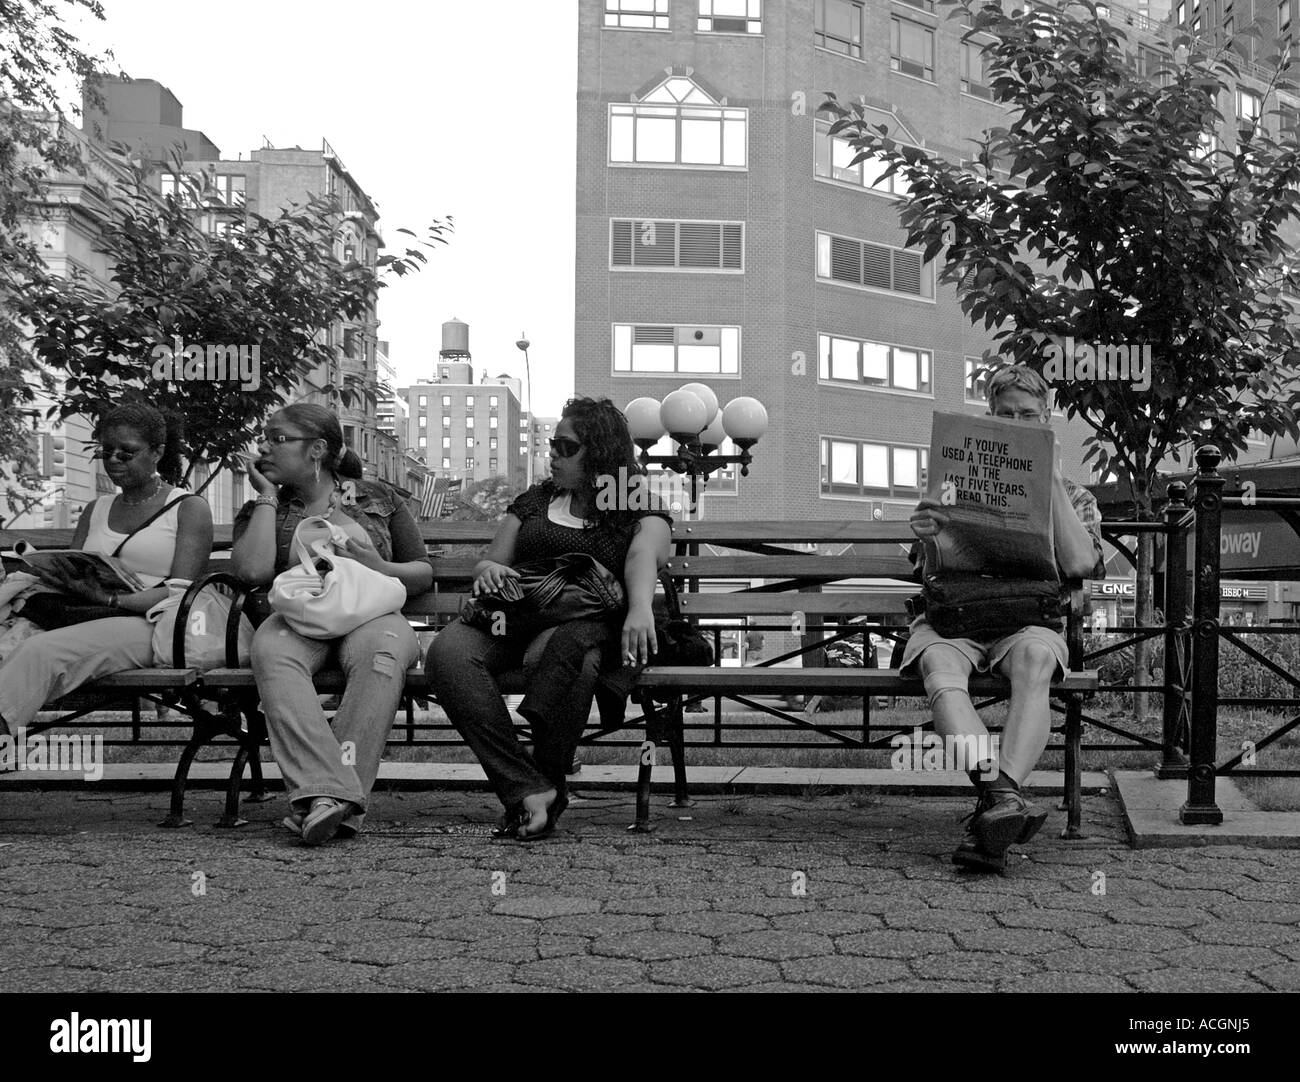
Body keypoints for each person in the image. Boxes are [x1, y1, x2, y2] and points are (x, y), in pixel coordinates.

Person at [426, 396, 672, 840]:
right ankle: (529, 787)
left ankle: (545, 791)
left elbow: (644, 554)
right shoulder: (536, 501)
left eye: (566, 446)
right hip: (510, 618)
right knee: (447, 653)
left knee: (565, 661)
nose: (553, 454)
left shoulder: (634, 506)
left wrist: (639, 608)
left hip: (572, 628)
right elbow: (489, 563)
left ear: (598, 453)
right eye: (552, 444)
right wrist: (492, 571)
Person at [906, 365, 1106, 873]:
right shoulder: (955, 481)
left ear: (1046, 419)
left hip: (1027, 621)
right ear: (989, 419)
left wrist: (1049, 474)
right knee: (939, 669)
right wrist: (927, 533)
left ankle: (997, 804)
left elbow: (1082, 564)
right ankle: (1004, 799)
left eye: (1028, 416)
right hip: (955, 618)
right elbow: (924, 570)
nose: (1015, 423)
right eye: (1005, 415)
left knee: (1037, 659)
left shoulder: (1077, 495)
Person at [231, 402, 432, 846]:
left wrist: (377, 563)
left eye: (278, 438)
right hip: (296, 617)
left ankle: (322, 798)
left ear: (317, 449)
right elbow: (250, 574)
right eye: (265, 435)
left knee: (380, 657)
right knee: (272, 651)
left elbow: (422, 572)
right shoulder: (267, 506)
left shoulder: (377, 498)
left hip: (373, 614)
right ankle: (335, 799)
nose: (264, 446)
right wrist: (266, 497)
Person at [0, 404, 213, 734]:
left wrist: (114, 601)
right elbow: (74, 567)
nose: (113, 460)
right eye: (106, 451)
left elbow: (181, 593)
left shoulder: (188, 507)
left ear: (157, 452)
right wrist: (58, 575)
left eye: (126, 453)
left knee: (42, 652)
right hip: (85, 613)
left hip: (151, 623)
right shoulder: (96, 509)